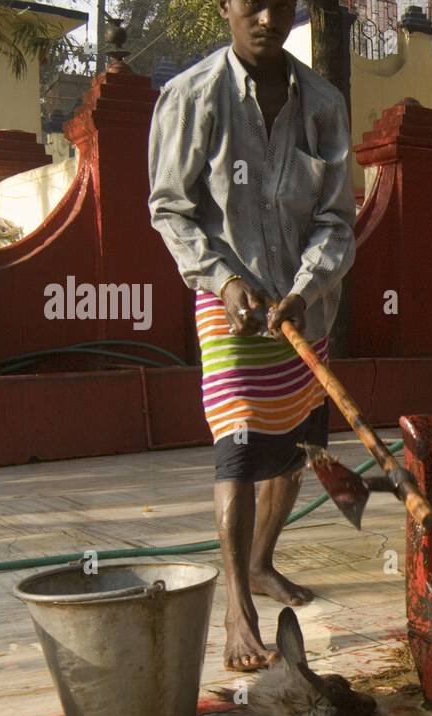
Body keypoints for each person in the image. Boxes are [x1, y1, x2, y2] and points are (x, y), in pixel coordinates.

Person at [148, 0, 356, 671]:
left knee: (296, 445)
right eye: (251, 1)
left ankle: (263, 561)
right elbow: (171, 211)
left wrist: (303, 289)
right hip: (229, 301)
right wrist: (226, 282)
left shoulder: (323, 103)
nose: (266, 15)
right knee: (237, 443)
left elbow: (336, 221)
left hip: (306, 304)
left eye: (281, 1)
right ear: (225, 6)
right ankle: (239, 611)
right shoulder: (191, 97)